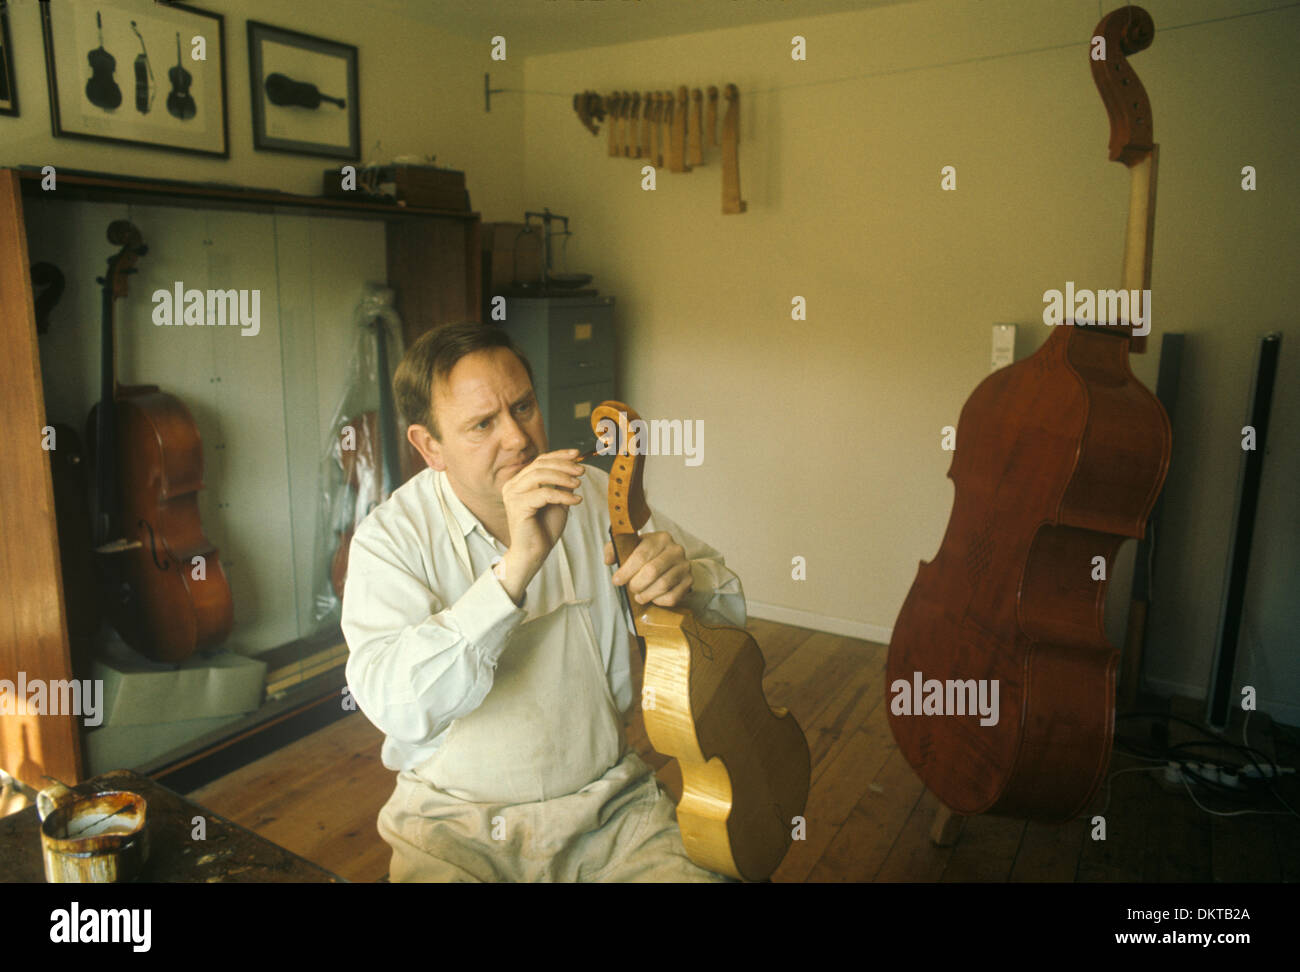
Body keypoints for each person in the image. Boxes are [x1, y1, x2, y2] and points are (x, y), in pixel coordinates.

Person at [340, 321, 746, 882]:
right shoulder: (388, 541)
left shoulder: (597, 494)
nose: (518, 438)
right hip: (452, 826)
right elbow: (396, 707)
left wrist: (685, 581)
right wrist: (514, 570)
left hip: (608, 810)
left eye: (523, 407)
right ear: (429, 445)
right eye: (483, 424)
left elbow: (730, 606)